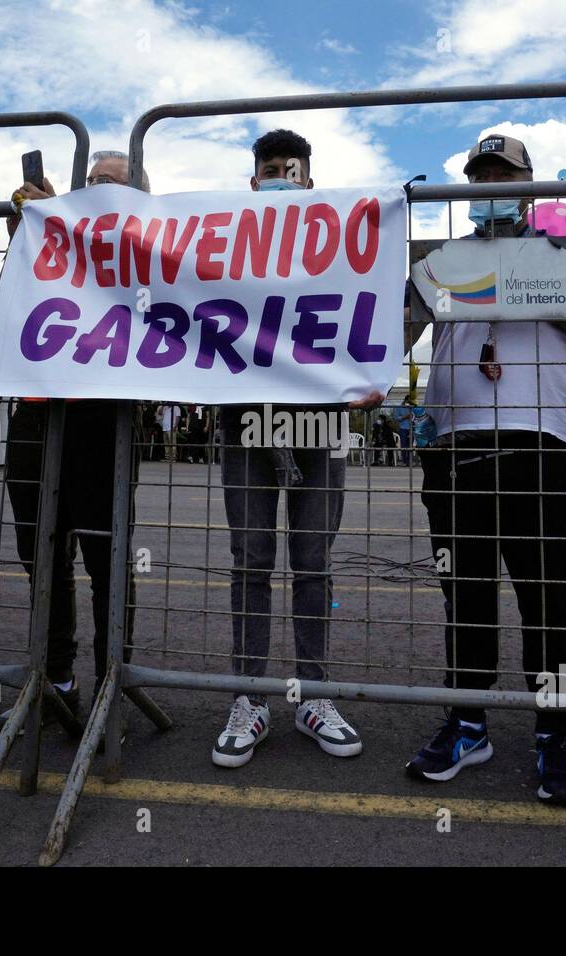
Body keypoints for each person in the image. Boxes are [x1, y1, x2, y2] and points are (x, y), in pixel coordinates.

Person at [404, 133, 566, 804]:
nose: (489, 184)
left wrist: (532, 286)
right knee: (464, 601)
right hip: (456, 450)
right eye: (479, 175)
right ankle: (468, 723)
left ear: (527, 186)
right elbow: (395, 325)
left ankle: (555, 736)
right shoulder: (444, 258)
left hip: (541, 446)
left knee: (546, 605)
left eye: (503, 173)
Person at [211, 129, 378, 768]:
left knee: (314, 560)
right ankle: (249, 698)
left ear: (310, 180)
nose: (282, 176)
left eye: (291, 169)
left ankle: (314, 694)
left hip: (321, 421)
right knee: (250, 558)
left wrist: (371, 371)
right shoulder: (223, 239)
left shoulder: (338, 239)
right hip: (247, 420)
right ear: (254, 182)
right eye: (270, 169)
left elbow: (374, 299)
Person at [0, 149, 149, 735]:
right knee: (40, 553)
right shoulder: (52, 233)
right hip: (37, 410)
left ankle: (115, 679)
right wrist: (31, 224)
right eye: (90, 180)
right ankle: (55, 678)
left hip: (103, 416)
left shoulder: (147, 242)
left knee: (108, 556)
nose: (96, 188)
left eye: (111, 182)